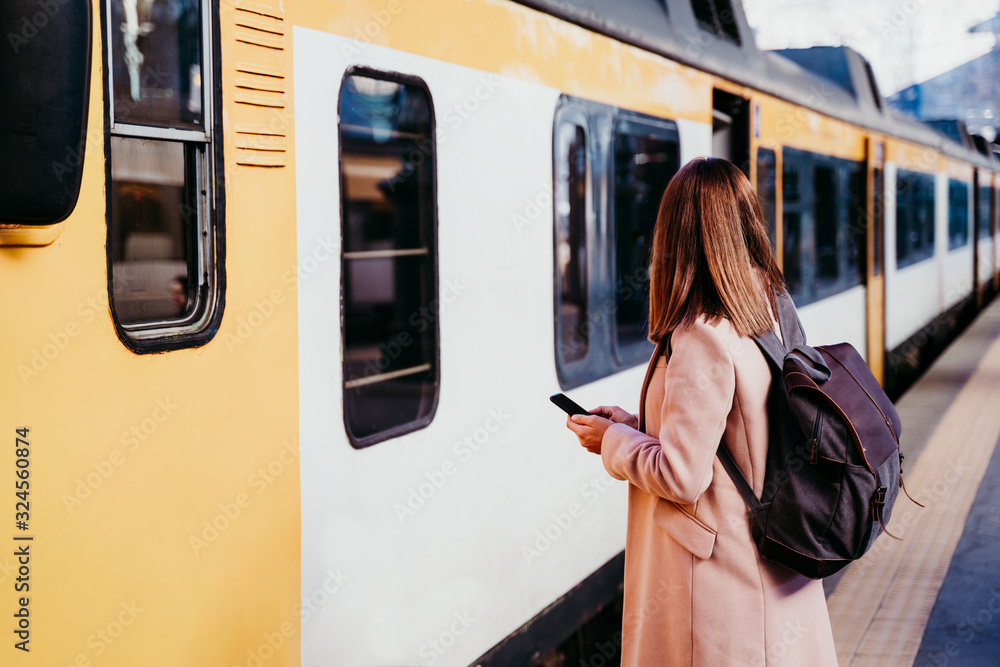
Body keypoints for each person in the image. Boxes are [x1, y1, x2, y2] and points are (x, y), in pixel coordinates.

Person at [566, 157, 838, 666]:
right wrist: (633, 424)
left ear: (676, 235)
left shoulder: (702, 334)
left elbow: (680, 474)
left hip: (718, 588)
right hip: (776, 566)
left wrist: (612, 442)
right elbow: (734, 435)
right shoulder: (769, 309)